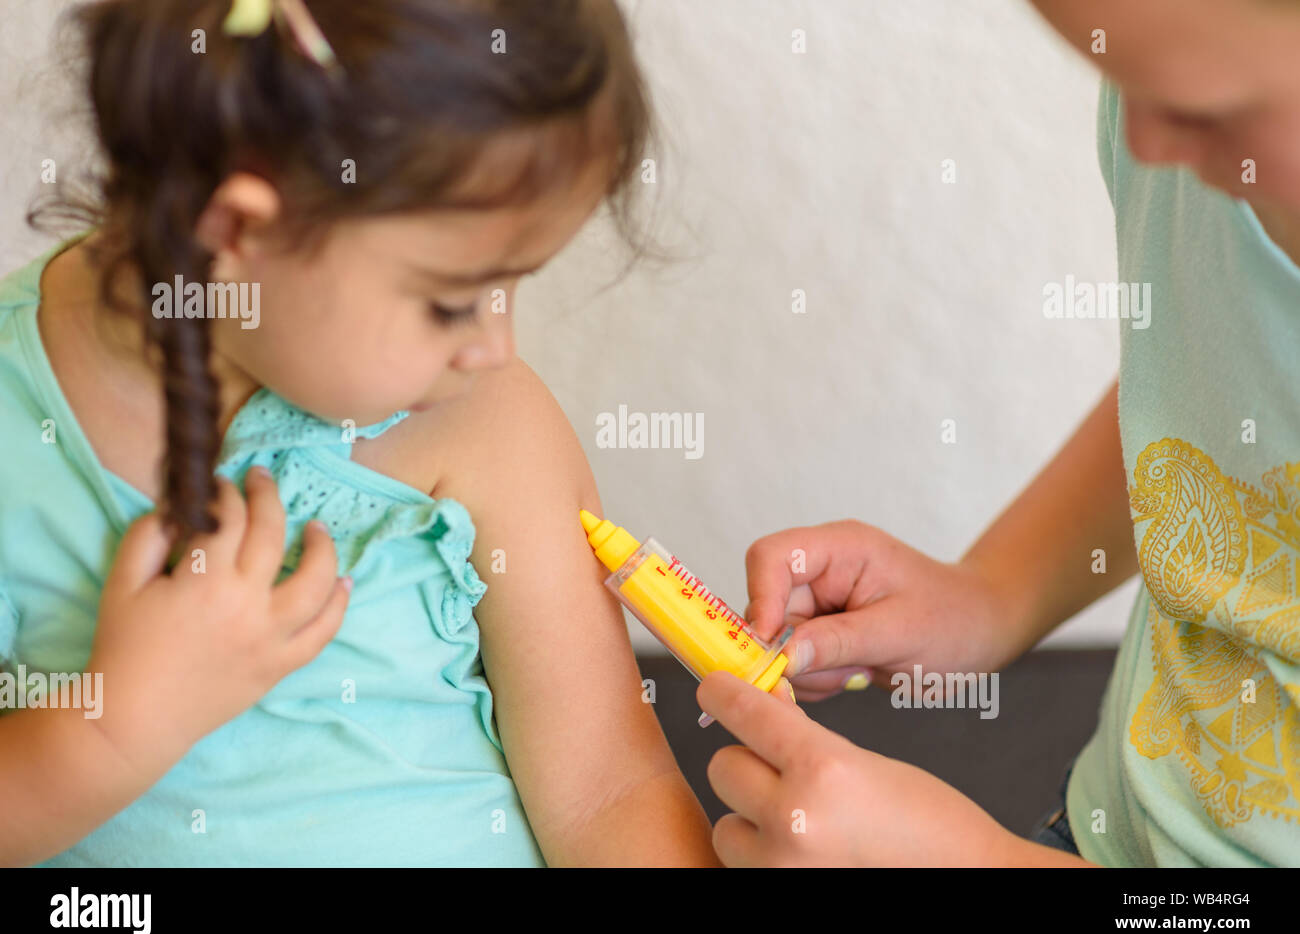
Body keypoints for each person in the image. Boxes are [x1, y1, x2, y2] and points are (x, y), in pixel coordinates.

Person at [0, 0, 724, 866]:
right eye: (454, 299)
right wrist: (118, 726)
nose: (498, 346)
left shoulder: (486, 420)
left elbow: (610, 790)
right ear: (237, 231)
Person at [700, 0, 1300, 866]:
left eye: (1210, 108)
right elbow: (1212, 380)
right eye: (1117, 75)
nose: (1146, 146)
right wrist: (989, 593)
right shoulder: (1185, 101)